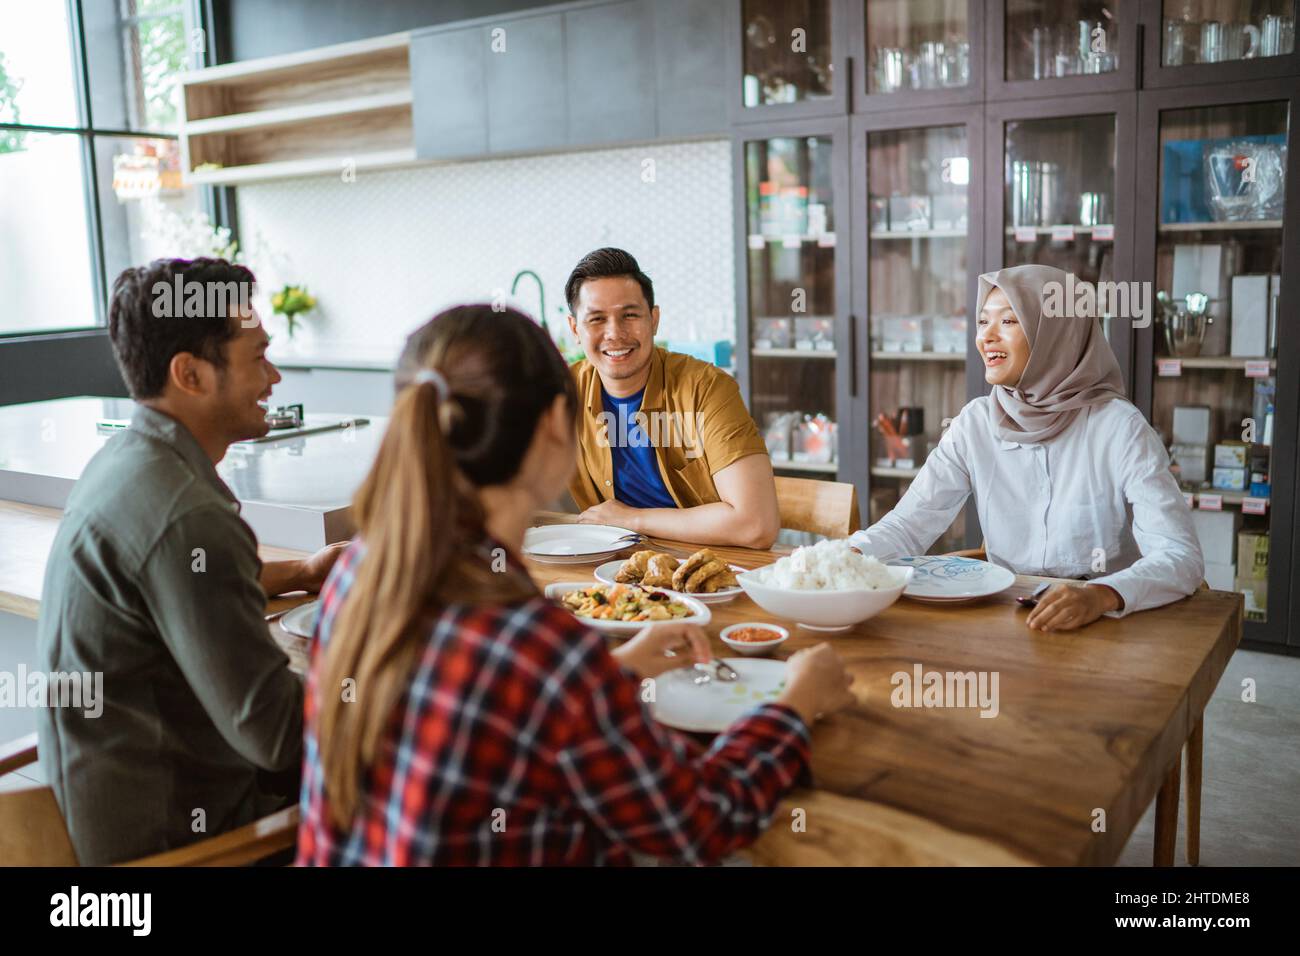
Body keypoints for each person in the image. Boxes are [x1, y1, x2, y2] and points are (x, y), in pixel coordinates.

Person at [296, 305, 854, 866]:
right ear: (553, 427)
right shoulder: (541, 649)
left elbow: (501, 712)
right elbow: (697, 822)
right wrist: (797, 702)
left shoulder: (360, 571)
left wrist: (610, 675)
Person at [36, 257, 343, 865]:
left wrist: (304, 573)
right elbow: (280, 736)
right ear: (191, 375)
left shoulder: (127, 458)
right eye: (258, 357)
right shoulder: (185, 514)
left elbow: (184, 586)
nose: (274, 376)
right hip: (185, 841)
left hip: (108, 804)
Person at [850, 264, 1204, 632]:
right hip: (1008, 616)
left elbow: (1180, 555)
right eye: (982, 321)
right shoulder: (975, 423)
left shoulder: (1119, 428)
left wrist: (1102, 594)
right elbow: (909, 524)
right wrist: (850, 555)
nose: (986, 337)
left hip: (1105, 620)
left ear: (1056, 334)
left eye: (1008, 322)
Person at [564, 248, 780, 549]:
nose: (614, 333)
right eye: (597, 319)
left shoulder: (706, 388)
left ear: (654, 320)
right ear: (575, 329)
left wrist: (631, 519)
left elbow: (756, 525)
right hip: (609, 570)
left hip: (710, 571)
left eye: (629, 315)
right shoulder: (561, 393)